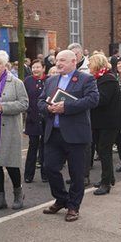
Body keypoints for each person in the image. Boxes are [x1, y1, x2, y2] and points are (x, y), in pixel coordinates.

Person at [40, 50, 99, 222]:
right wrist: (48, 108)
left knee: (76, 173)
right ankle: (61, 199)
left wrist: (66, 107)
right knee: (49, 167)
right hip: (54, 132)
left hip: (76, 134)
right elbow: (41, 100)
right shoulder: (51, 80)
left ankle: (73, 206)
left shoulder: (86, 79)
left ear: (74, 62)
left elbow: (93, 100)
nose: (58, 63)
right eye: (57, 60)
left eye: (63, 61)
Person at [0, 50, 29, 211]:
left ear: (5, 65)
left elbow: (24, 104)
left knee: (11, 164)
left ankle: (18, 194)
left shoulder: (16, 82)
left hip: (8, 130)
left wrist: (4, 107)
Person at [88, 54, 121, 196]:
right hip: (100, 121)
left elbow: (102, 99)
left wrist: (87, 97)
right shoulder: (99, 79)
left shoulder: (107, 79)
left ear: (97, 65)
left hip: (109, 122)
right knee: (101, 149)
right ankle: (109, 177)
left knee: (104, 151)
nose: (89, 67)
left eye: (90, 64)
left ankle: (105, 183)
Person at [23, 60, 47, 184]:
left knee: (45, 147)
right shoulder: (27, 81)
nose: (35, 69)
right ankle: (28, 174)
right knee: (32, 147)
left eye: (38, 67)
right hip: (32, 119)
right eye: (33, 67)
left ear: (43, 68)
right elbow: (24, 98)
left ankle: (45, 174)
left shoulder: (48, 80)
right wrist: (29, 111)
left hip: (46, 119)